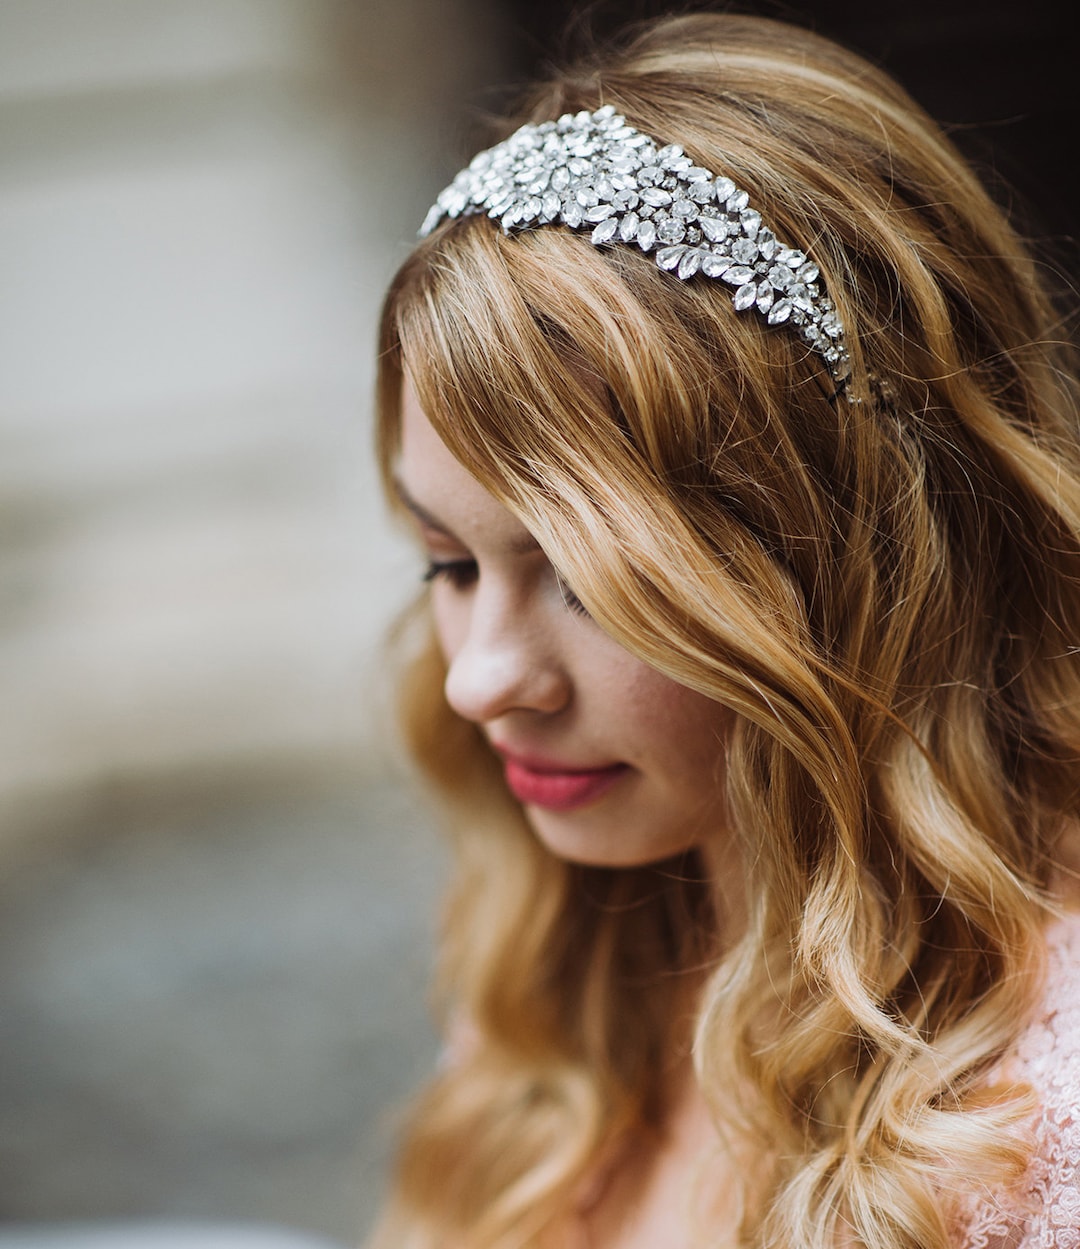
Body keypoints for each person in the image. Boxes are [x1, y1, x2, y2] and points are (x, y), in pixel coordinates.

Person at [369, 11, 1080, 1248]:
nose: (482, 679)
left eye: (592, 587)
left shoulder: (1039, 1107)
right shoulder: (567, 955)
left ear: (860, 568)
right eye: (447, 562)